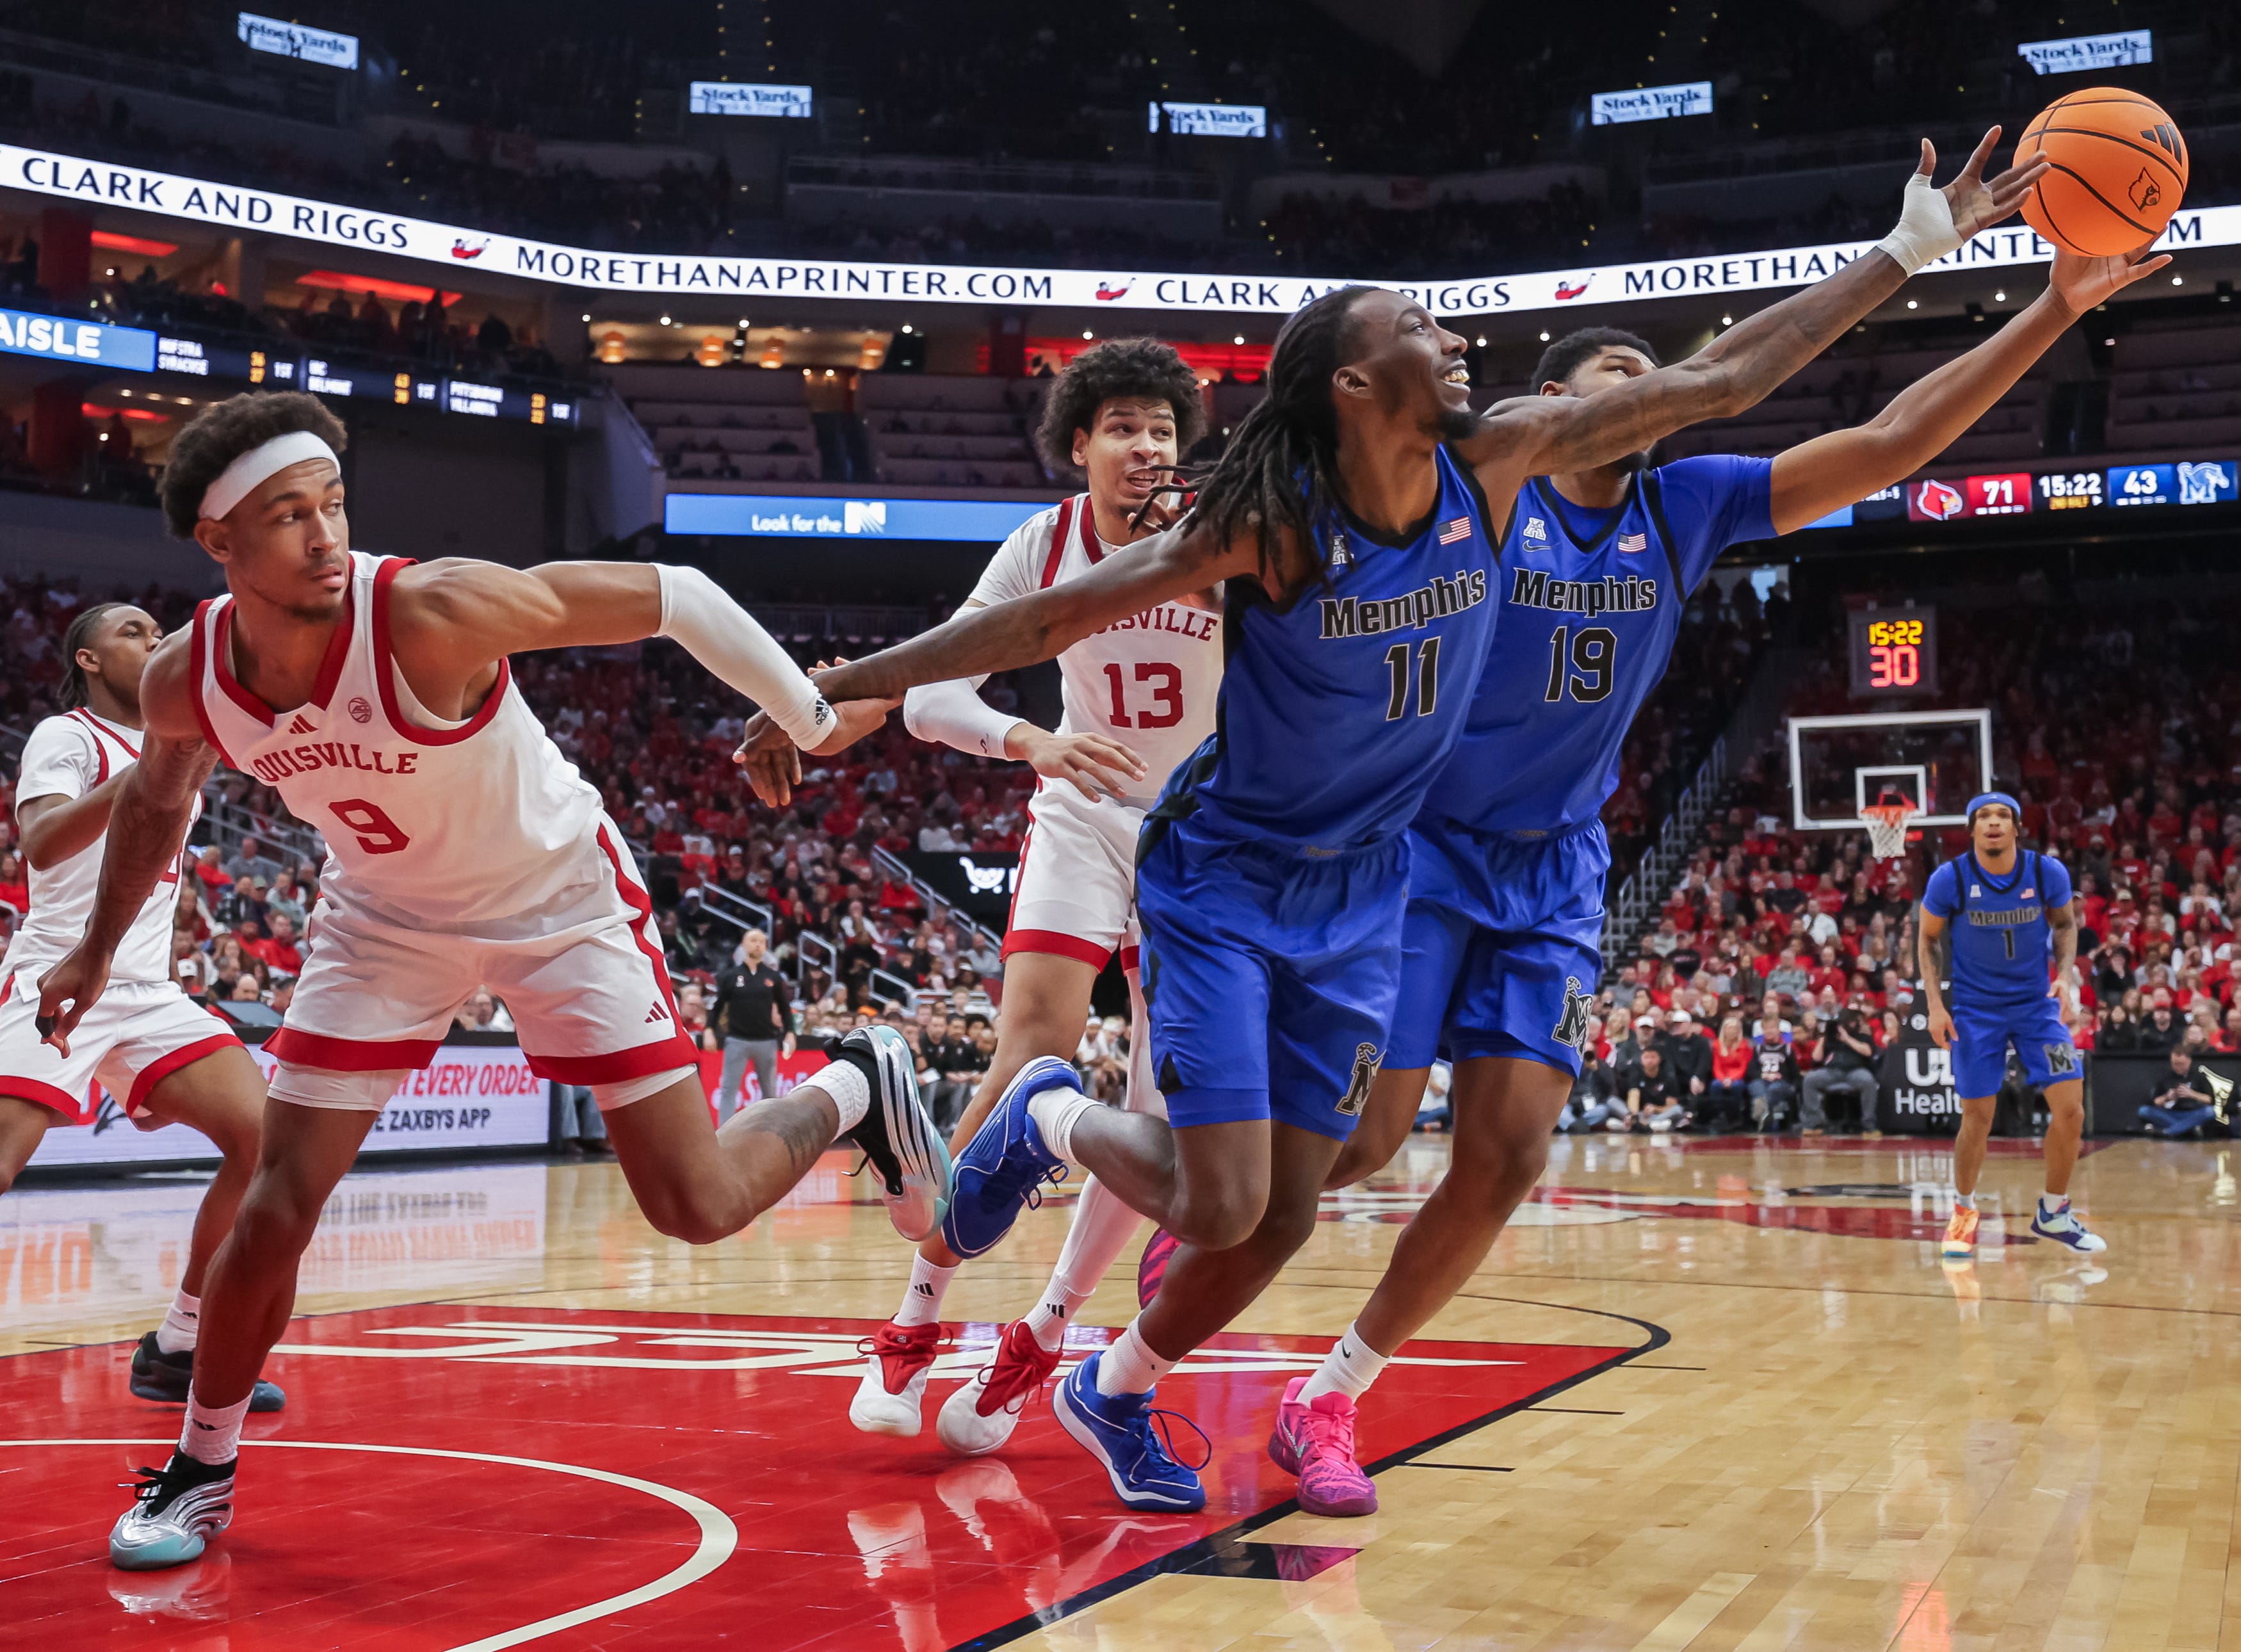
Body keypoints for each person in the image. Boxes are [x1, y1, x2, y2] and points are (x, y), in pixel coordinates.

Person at [738, 140, 2040, 1513]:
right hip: (1230, 878)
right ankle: (1046, 1114)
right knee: (1225, 1203)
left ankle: (1106, 1370)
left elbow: (1722, 383)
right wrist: (824, 689)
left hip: (1368, 888)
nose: (1455, 336)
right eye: (1420, 327)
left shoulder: (1500, 458)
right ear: (1356, 383)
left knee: (1299, 1203)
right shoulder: (1274, 524)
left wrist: (1904, 250)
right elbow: (1040, 619)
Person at [1228, 168, 2153, 1510]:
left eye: (1654, 374)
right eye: (1620, 368)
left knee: (1509, 1154)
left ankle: (1331, 1396)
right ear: (1557, 399)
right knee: (1364, 1143)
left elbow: (1892, 438)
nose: (1648, 385)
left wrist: (2053, 309)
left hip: (1551, 864)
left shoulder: (1690, 502)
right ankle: (1186, 1213)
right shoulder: (1489, 478)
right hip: (1419, 841)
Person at [35, 391, 950, 1571]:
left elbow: (675, 597)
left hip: (557, 900)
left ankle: (855, 1084)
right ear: (219, 544)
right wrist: (96, 951)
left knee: (696, 1206)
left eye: (333, 504)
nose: (324, 536)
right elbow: (157, 803)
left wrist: (809, 716)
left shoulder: (428, 608)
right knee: (278, 1193)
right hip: (382, 921)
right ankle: (201, 1471)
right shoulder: (186, 679)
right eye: (286, 518)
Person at [849, 339, 1218, 1455]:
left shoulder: (1226, 542)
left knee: (1154, 1117)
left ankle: (1042, 1340)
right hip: (1081, 810)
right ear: (1081, 446)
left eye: (1161, 427)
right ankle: (914, 1322)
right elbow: (929, 696)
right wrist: (1035, 740)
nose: (1146, 444)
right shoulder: (1041, 544)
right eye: (1122, 426)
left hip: (1203, 834)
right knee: (1027, 1054)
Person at [0, 603, 284, 1414]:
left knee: (267, 1147)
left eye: (161, 633)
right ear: (87, 659)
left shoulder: (178, 740)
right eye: (132, 632)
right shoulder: (70, 735)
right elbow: (46, 843)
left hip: (150, 990)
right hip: (58, 975)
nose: (154, 642)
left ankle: (179, 1345)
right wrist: (155, 768)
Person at [1920, 793, 2105, 1259]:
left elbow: (2065, 926)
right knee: (1977, 1118)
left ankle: (2054, 1212)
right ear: (1973, 830)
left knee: (2071, 1110)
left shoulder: (2047, 872)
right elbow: (1927, 939)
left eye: (2003, 815)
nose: (1994, 823)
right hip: (1976, 1012)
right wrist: (1936, 1006)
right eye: (1984, 817)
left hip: (2037, 1009)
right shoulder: (1951, 878)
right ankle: (1963, 1211)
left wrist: (2063, 976)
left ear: (2017, 827)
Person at [711, 928, 791, 1121]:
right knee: (729, 1090)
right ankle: (724, 1133)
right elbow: (717, 1007)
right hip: (737, 1040)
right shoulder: (730, 976)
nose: (757, 944)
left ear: (765, 947)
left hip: (766, 1041)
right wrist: (708, 1029)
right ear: (744, 945)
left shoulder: (773, 977)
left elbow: (785, 1008)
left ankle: (771, 1132)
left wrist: (790, 1033)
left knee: (769, 1093)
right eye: (753, 940)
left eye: (761, 942)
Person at [2139, 1048, 2220, 1138]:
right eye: (2175, 1064)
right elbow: (2155, 1102)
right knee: (2144, 1111)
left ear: (2189, 1061)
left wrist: (2192, 1094)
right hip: (2171, 1114)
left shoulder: (2199, 1078)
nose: (2178, 1067)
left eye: (2181, 1064)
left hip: (2193, 1114)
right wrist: (2167, 1097)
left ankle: (2168, 1132)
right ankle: (2187, 1130)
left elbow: (2209, 1100)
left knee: (2210, 1112)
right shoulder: (2165, 1079)